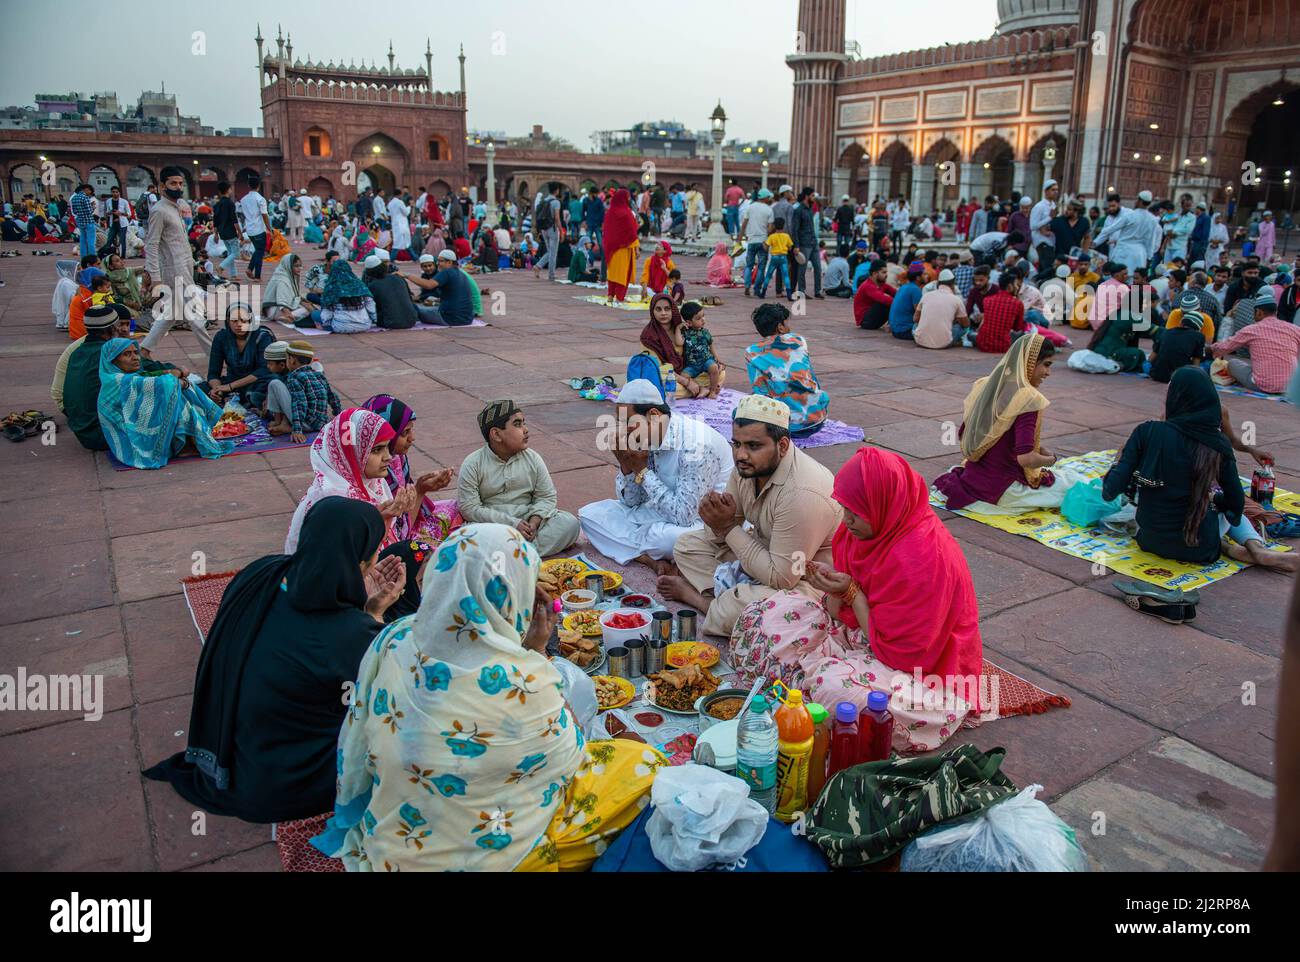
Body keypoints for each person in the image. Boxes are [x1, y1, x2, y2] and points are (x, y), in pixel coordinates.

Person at [314, 522, 664, 871]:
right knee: (645, 764)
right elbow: (569, 755)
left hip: (396, 847)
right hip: (494, 854)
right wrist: (537, 651)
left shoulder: (393, 637)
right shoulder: (524, 681)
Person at [144, 496, 404, 833]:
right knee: (394, 720)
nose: (375, 560)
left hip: (230, 747)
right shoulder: (352, 634)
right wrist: (375, 613)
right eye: (373, 553)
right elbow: (385, 685)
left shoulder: (261, 573)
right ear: (361, 564)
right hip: (284, 785)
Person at [730, 447, 985, 751]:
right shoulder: (867, 529)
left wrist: (852, 593)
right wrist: (836, 590)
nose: (847, 521)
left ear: (882, 503)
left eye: (856, 512)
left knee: (836, 691)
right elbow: (836, 611)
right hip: (864, 637)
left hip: (923, 670)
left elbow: (903, 655)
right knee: (769, 612)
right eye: (844, 508)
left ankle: (805, 683)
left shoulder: (924, 558)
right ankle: (805, 683)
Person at [659, 395, 840, 638]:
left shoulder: (802, 493)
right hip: (764, 557)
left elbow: (782, 577)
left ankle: (703, 602)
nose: (741, 455)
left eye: (753, 446)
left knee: (745, 610)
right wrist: (714, 518)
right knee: (686, 545)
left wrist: (727, 528)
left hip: (805, 578)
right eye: (736, 444)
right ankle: (731, 596)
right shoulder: (747, 467)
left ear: (783, 445)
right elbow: (720, 532)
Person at [1103, 367, 1295, 579]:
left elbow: (1110, 491)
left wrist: (1122, 462)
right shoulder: (1217, 443)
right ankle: (1253, 548)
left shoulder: (1147, 431)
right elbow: (1235, 505)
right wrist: (1212, 499)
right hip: (1202, 549)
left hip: (1150, 541)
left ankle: (1235, 549)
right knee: (1214, 513)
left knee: (1184, 510)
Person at [580, 379, 733, 571]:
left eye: (629, 422)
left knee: (664, 539)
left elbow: (684, 516)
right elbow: (631, 503)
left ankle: (639, 548)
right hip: (661, 513)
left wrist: (642, 472)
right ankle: (649, 559)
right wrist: (626, 466)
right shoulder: (646, 435)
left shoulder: (696, 445)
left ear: (653, 415)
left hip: (701, 522)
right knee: (589, 515)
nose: (624, 430)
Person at [934, 336, 1082, 514]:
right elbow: (1026, 459)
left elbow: (969, 433)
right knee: (1074, 483)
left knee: (1067, 478)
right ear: (1029, 362)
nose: (1048, 372)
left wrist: (1035, 448)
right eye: (1046, 364)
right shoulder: (1028, 398)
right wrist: (1051, 460)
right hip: (1003, 489)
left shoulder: (985, 385)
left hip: (972, 479)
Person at [285, 407, 417, 553]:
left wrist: (386, 517)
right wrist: (378, 521)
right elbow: (341, 562)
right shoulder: (333, 500)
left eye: (387, 447)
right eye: (377, 450)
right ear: (350, 453)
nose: (388, 457)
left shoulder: (374, 484)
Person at [457, 401, 579, 556]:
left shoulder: (533, 458)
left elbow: (546, 497)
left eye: (524, 423)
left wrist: (534, 523)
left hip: (528, 522)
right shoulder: (473, 463)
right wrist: (512, 524)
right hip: (493, 524)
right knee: (469, 537)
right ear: (496, 434)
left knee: (569, 524)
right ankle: (525, 555)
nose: (526, 430)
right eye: (517, 424)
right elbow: (469, 508)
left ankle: (520, 554)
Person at [96, 337, 233, 469]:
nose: (135, 357)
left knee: (176, 393)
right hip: (130, 438)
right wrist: (177, 380)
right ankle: (190, 442)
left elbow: (153, 381)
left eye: (135, 352)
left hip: (137, 424)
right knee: (175, 396)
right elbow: (159, 384)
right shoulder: (116, 380)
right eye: (127, 354)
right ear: (112, 361)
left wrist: (176, 379)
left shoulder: (132, 376)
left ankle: (193, 438)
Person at [57, 306, 175, 449]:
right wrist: (174, 373)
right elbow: (144, 378)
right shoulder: (109, 352)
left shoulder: (77, 351)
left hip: (81, 430)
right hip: (103, 434)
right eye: (119, 325)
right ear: (112, 329)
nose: (123, 329)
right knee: (171, 391)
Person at [361, 394, 462, 545]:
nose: (412, 438)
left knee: (455, 509)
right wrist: (419, 490)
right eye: (404, 433)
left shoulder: (395, 458)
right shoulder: (375, 470)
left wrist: (421, 489)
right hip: (388, 542)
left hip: (402, 528)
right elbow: (396, 535)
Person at [141, 166, 212, 356]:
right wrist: (155, 276)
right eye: (173, 183)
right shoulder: (159, 211)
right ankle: (215, 356)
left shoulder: (176, 208)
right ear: (162, 186)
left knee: (171, 314)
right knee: (196, 315)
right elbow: (151, 245)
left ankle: (145, 349)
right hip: (174, 269)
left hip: (185, 266)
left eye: (181, 183)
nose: (178, 187)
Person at [745, 302, 830, 436]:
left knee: (741, 411)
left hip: (784, 428)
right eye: (786, 323)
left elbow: (760, 392)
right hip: (817, 421)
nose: (788, 327)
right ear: (780, 327)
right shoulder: (798, 340)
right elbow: (810, 375)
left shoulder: (752, 352)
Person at [1211, 290, 1300, 394]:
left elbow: (1224, 347)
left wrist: (1210, 348)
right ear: (1276, 312)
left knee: (1232, 363)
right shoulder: (1294, 328)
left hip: (1263, 385)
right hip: (1292, 386)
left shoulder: (1251, 330)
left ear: (1259, 312)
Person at [268, 341, 342, 443]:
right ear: (310, 360)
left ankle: (278, 421)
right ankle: (287, 426)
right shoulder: (319, 375)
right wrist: (340, 415)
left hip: (305, 424)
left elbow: (299, 403)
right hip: (320, 423)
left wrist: (297, 430)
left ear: (292, 360)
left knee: (274, 383)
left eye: (287, 359)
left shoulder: (294, 377)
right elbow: (332, 396)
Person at [207, 303, 275, 408]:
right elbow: (213, 373)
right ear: (228, 321)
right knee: (198, 389)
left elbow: (264, 370)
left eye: (244, 320)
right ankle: (237, 399)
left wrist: (230, 387)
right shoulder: (221, 337)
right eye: (234, 321)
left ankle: (244, 399)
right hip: (233, 379)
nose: (239, 324)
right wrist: (217, 390)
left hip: (255, 381)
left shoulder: (262, 336)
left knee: (271, 384)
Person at [913, 269, 970, 349]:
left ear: (938, 283)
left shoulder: (926, 295)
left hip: (920, 341)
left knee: (915, 325)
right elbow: (966, 324)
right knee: (961, 328)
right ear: (953, 284)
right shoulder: (956, 299)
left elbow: (915, 319)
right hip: (943, 343)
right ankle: (955, 341)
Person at [316, 259, 376, 333]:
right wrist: (374, 319)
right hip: (365, 325)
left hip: (340, 327)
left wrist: (326, 325)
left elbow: (327, 313)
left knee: (314, 314)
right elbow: (370, 305)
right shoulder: (359, 285)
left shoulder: (331, 286)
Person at [262, 252, 321, 326]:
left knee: (312, 307)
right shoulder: (282, 279)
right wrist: (288, 314)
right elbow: (281, 301)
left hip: (279, 308)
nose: (299, 268)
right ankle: (284, 317)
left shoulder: (289, 275)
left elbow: (293, 295)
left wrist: (304, 302)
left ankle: (289, 316)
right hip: (275, 310)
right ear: (288, 266)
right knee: (308, 311)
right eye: (296, 266)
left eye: (300, 266)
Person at [1149, 310, 1207, 384]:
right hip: (1179, 378)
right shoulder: (1199, 336)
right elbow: (1196, 364)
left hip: (1156, 375)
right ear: (1198, 327)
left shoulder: (1166, 332)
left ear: (1181, 322)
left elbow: (1152, 357)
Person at [679, 302, 722, 398]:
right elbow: (679, 342)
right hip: (692, 365)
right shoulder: (685, 333)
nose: (703, 320)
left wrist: (716, 357)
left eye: (703, 316)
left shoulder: (705, 332)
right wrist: (678, 329)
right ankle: (701, 388)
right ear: (689, 322)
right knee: (683, 375)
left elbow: (711, 345)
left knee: (714, 368)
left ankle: (712, 391)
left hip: (706, 360)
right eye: (698, 318)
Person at [740, 189, 774, 295]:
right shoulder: (769, 210)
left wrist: (740, 236)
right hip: (763, 241)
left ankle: (747, 285)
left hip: (751, 240)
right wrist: (765, 236)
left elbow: (744, 223)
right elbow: (770, 227)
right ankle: (756, 289)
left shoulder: (750, 207)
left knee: (749, 265)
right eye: (769, 197)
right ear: (766, 198)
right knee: (761, 266)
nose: (770, 199)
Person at [240, 174, 271, 280]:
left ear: (249, 185)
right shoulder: (260, 199)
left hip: (249, 228)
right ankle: (257, 276)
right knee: (260, 252)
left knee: (258, 250)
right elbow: (264, 214)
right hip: (258, 229)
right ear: (258, 186)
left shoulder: (243, 199)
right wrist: (269, 228)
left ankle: (249, 269)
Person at [755, 217, 794, 299]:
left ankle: (763, 292)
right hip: (783, 257)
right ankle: (789, 294)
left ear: (775, 226)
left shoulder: (772, 236)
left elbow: (766, 247)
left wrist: (763, 243)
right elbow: (790, 248)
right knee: (786, 276)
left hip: (774, 258)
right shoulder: (786, 236)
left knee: (768, 275)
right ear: (783, 225)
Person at [886, 265, 926, 341]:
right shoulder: (915, 289)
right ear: (918, 277)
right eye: (924, 274)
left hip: (895, 330)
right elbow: (920, 314)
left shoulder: (903, 287)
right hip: (905, 331)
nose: (927, 276)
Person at [853, 259, 895, 330]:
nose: (886, 275)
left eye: (886, 272)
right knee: (885, 303)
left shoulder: (881, 284)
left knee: (892, 301)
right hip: (866, 321)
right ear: (875, 273)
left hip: (872, 318)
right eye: (883, 272)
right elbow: (885, 300)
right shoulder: (868, 286)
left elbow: (896, 293)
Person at [70, 183, 97, 259]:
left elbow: (74, 212)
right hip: (89, 221)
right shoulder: (85, 198)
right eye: (90, 191)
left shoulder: (74, 198)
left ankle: (83, 257)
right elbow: (89, 211)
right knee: (91, 242)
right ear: (86, 190)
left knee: (83, 241)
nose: (90, 193)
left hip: (80, 222)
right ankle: (93, 257)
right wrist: (93, 207)